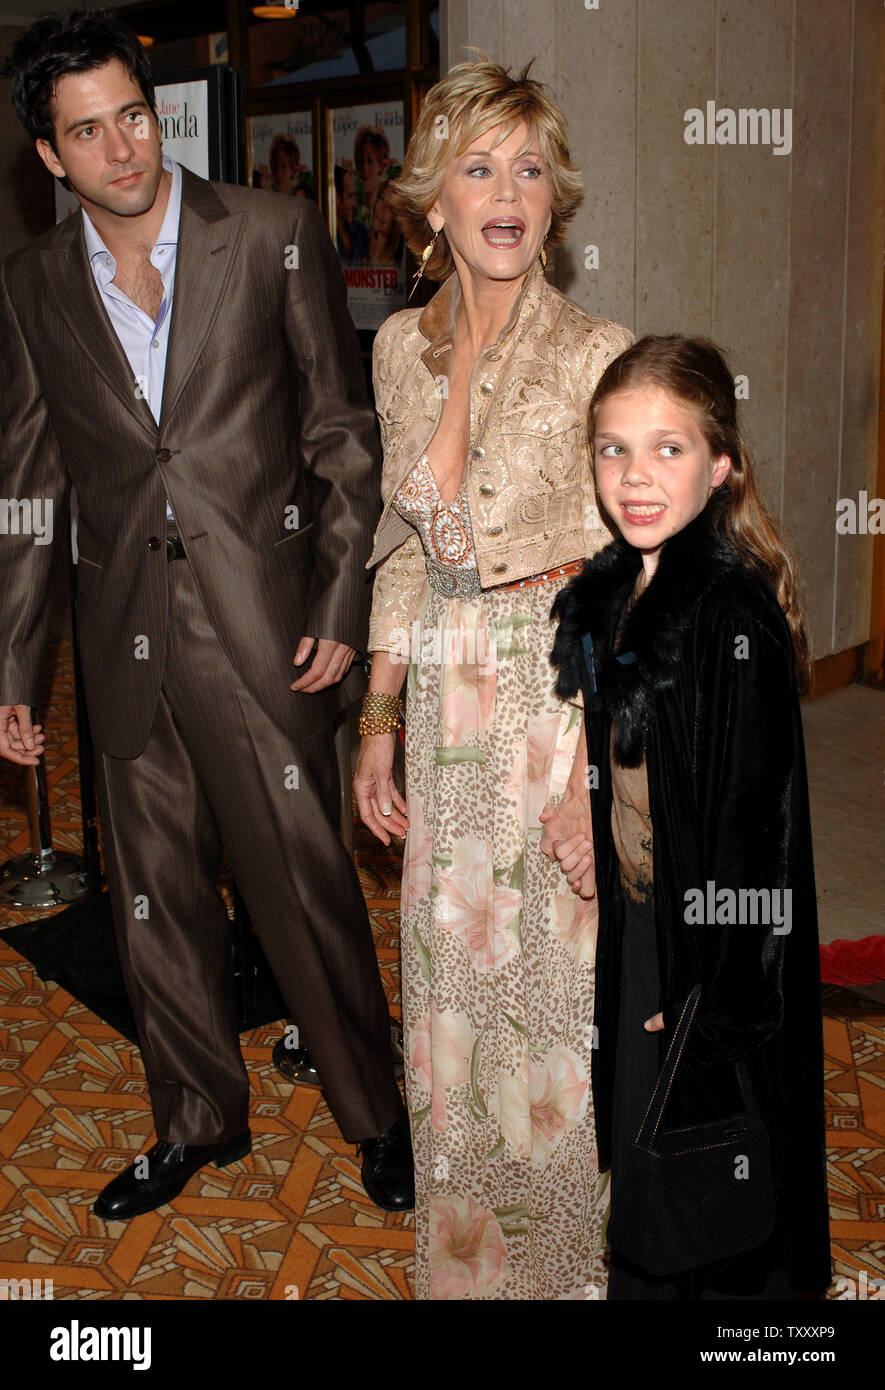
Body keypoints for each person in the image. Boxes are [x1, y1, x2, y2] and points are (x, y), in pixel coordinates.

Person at [0, 9, 412, 1220]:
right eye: (89, 132)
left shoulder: (274, 233)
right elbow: (26, 491)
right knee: (153, 899)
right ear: (49, 158)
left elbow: (343, 438)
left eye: (134, 115)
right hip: (120, 635)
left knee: (303, 886)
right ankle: (195, 1118)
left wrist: (340, 598)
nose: (124, 149)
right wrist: (14, 670)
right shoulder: (30, 286)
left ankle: (377, 1114)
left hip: (263, 627)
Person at [353, 56, 632, 1300]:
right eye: (479, 168)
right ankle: (473, 1276)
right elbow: (409, 549)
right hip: (446, 705)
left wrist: (602, 771)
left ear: (553, 197)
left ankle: (572, 1274)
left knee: (557, 1005)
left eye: (529, 169)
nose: (507, 193)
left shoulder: (598, 355)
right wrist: (375, 722)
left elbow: (634, 583)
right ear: (433, 204)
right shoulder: (399, 358)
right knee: (456, 1002)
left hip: (555, 695)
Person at [549, 335, 832, 1299]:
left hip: (711, 956)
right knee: (651, 1152)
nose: (634, 476)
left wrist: (711, 1003)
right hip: (648, 922)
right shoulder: (625, 587)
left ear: (720, 465)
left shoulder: (726, 618)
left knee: (715, 1165)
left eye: (667, 449)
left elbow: (755, 840)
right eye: (612, 448)